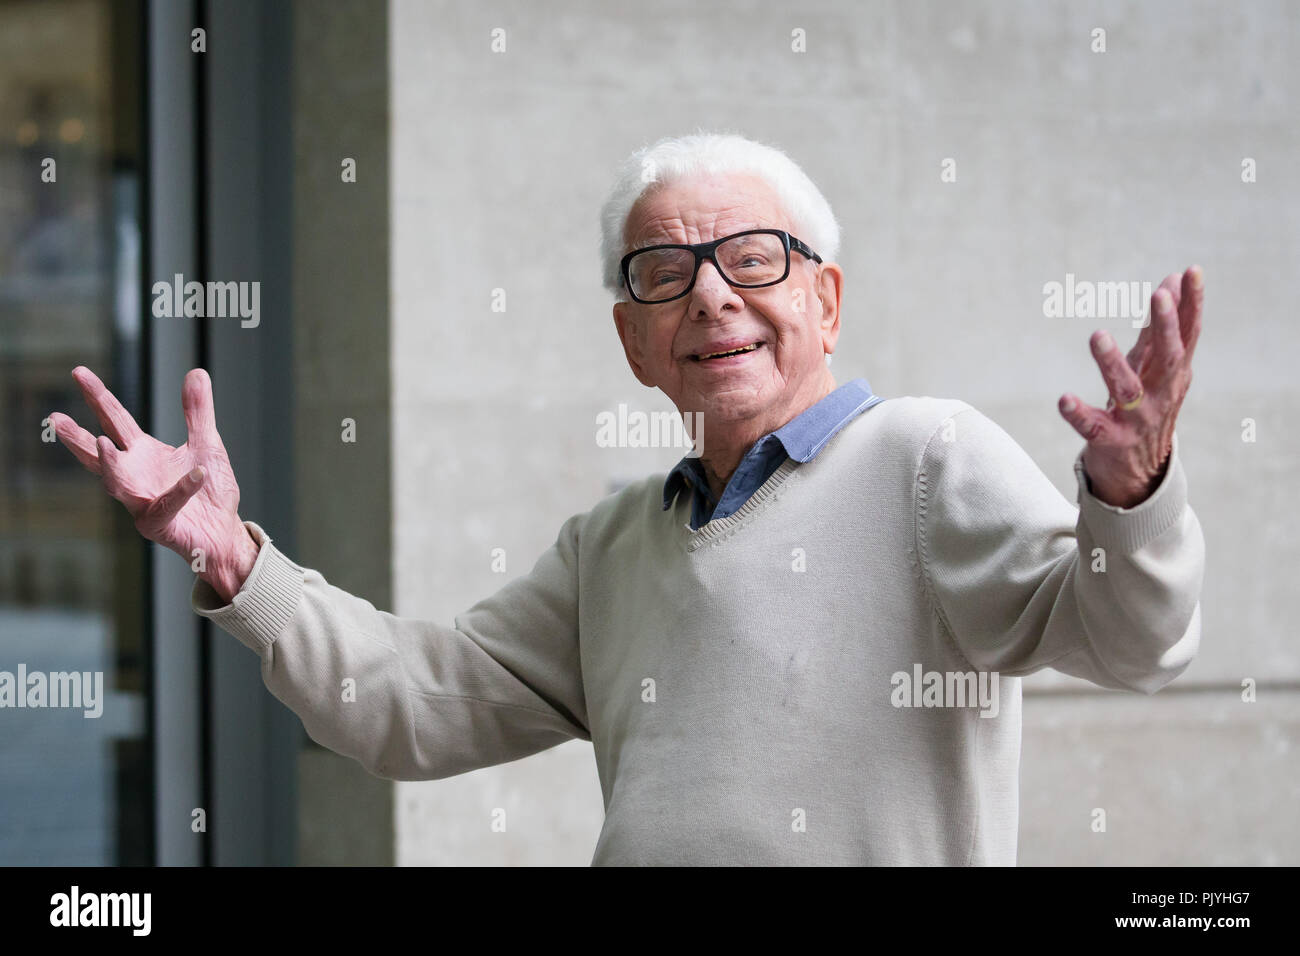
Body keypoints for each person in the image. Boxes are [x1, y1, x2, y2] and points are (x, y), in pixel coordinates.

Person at [49, 131, 1205, 865]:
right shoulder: (611, 544)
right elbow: (414, 701)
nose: (712, 298)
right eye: (666, 272)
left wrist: (1131, 495)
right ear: (632, 341)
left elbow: (1130, 639)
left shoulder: (924, 456)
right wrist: (237, 562)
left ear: (828, 298)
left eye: (755, 258)